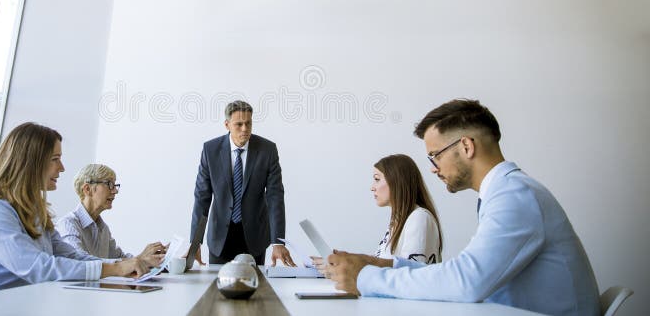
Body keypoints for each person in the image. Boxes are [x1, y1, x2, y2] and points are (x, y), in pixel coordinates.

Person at [326, 99, 600, 316]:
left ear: (467, 146)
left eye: (435, 156)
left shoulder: (515, 196)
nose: (433, 169)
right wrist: (386, 264)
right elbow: (466, 272)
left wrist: (366, 278)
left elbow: (466, 281)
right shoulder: (507, 192)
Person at [0, 123, 152, 295]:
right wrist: (116, 268)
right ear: (30, 163)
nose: (62, 168)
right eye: (55, 159)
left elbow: (72, 256)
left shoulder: (35, 213)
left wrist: (127, 265)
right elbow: (38, 267)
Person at [191, 100, 296, 266]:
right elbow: (202, 197)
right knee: (216, 287)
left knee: (256, 287)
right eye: (238, 124)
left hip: (255, 238)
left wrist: (278, 243)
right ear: (227, 125)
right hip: (220, 238)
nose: (245, 129)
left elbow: (275, 197)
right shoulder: (210, 150)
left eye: (248, 123)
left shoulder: (267, 151)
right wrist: (195, 243)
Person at [312, 154, 442, 273]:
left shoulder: (419, 217)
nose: (372, 187)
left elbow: (409, 273)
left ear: (396, 181)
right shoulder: (398, 221)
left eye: (377, 179)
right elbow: (382, 266)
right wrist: (345, 262)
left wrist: (351, 266)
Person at [57, 163, 165, 262]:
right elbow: (79, 261)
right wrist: (140, 259)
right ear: (87, 189)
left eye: (115, 185)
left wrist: (151, 257)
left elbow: (120, 259)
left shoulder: (103, 229)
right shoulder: (68, 224)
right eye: (109, 184)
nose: (115, 191)